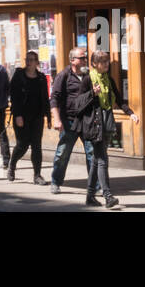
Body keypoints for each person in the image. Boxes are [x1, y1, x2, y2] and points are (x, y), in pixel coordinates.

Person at [85, 50, 138, 208]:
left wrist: (130, 113)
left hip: (107, 121)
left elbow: (120, 100)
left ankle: (89, 196)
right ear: (94, 64)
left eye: (107, 61)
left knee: (96, 160)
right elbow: (78, 102)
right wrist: (91, 94)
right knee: (102, 160)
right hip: (95, 123)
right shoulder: (88, 79)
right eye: (102, 62)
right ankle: (108, 196)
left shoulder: (109, 79)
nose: (106, 64)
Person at [48, 46, 96, 195]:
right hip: (69, 120)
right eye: (82, 58)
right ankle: (55, 182)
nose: (85, 60)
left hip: (87, 120)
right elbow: (54, 99)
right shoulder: (64, 75)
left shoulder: (89, 75)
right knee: (63, 153)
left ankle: (95, 185)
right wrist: (57, 120)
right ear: (73, 60)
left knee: (92, 153)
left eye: (85, 57)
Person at [7, 49, 50, 184]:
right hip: (22, 116)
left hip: (37, 116)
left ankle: (37, 175)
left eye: (32, 60)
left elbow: (45, 98)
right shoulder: (19, 75)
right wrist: (18, 115)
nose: (29, 62)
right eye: (27, 59)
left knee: (37, 145)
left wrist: (48, 117)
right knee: (22, 145)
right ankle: (12, 165)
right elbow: (14, 96)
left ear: (37, 62)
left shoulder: (42, 78)